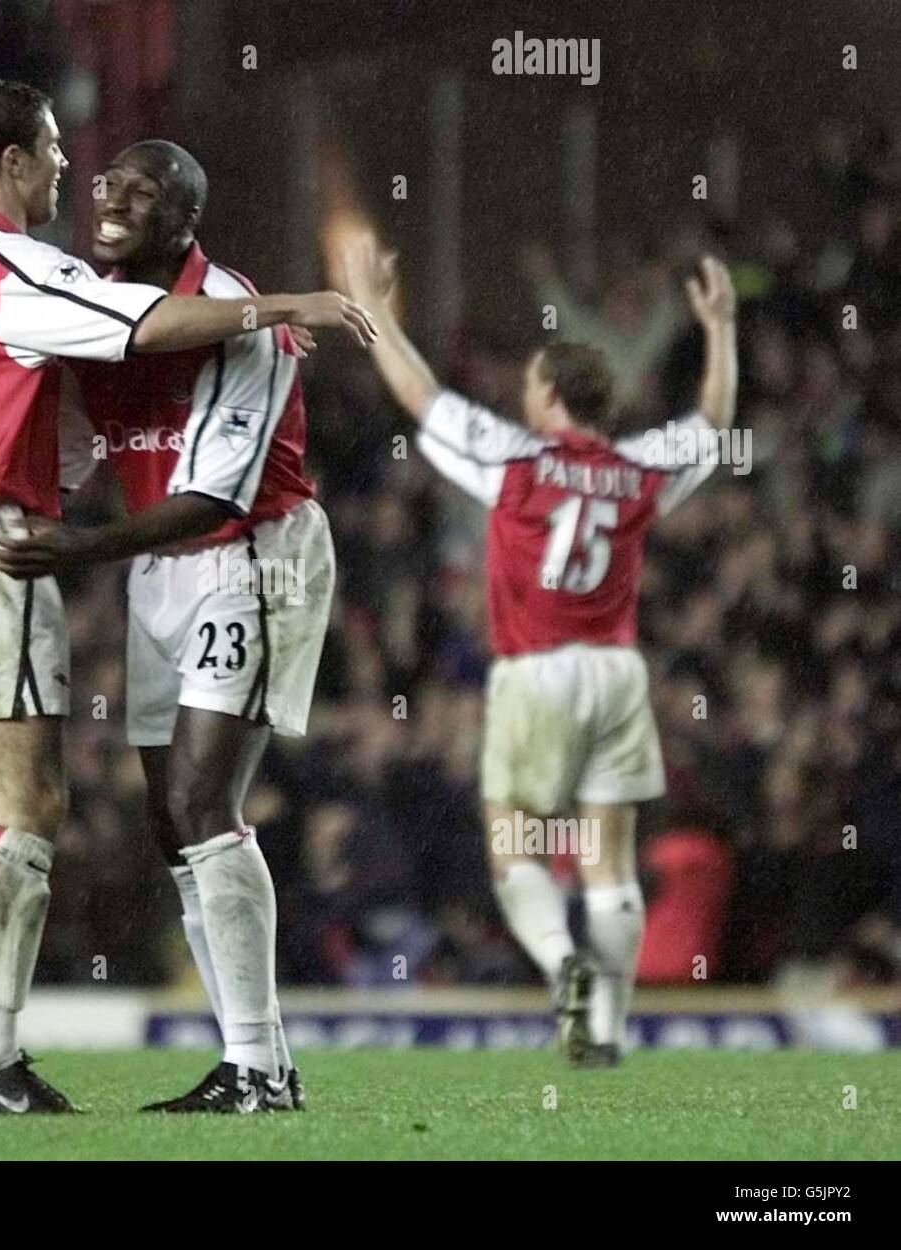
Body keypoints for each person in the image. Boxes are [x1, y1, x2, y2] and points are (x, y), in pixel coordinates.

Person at [0, 79, 375, 1116]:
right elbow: (68, 431)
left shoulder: (202, 318)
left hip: (246, 553)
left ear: (187, 217)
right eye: (74, 161)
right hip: (77, 553)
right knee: (69, 806)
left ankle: (253, 1063)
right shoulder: (49, 279)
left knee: (182, 802)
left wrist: (12, 533)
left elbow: (211, 490)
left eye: (139, 187)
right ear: (14, 162)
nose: (97, 188)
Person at [341, 238, 738, 1065]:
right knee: (610, 860)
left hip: (534, 671)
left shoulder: (514, 459)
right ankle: (609, 1028)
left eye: (529, 385)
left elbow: (421, 395)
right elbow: (714, 423)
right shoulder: (635, 470)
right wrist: (721, 331)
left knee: (513, 844)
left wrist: (376, 314)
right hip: (617, 674)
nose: (523, 397)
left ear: (551, 394)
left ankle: (564, 967)